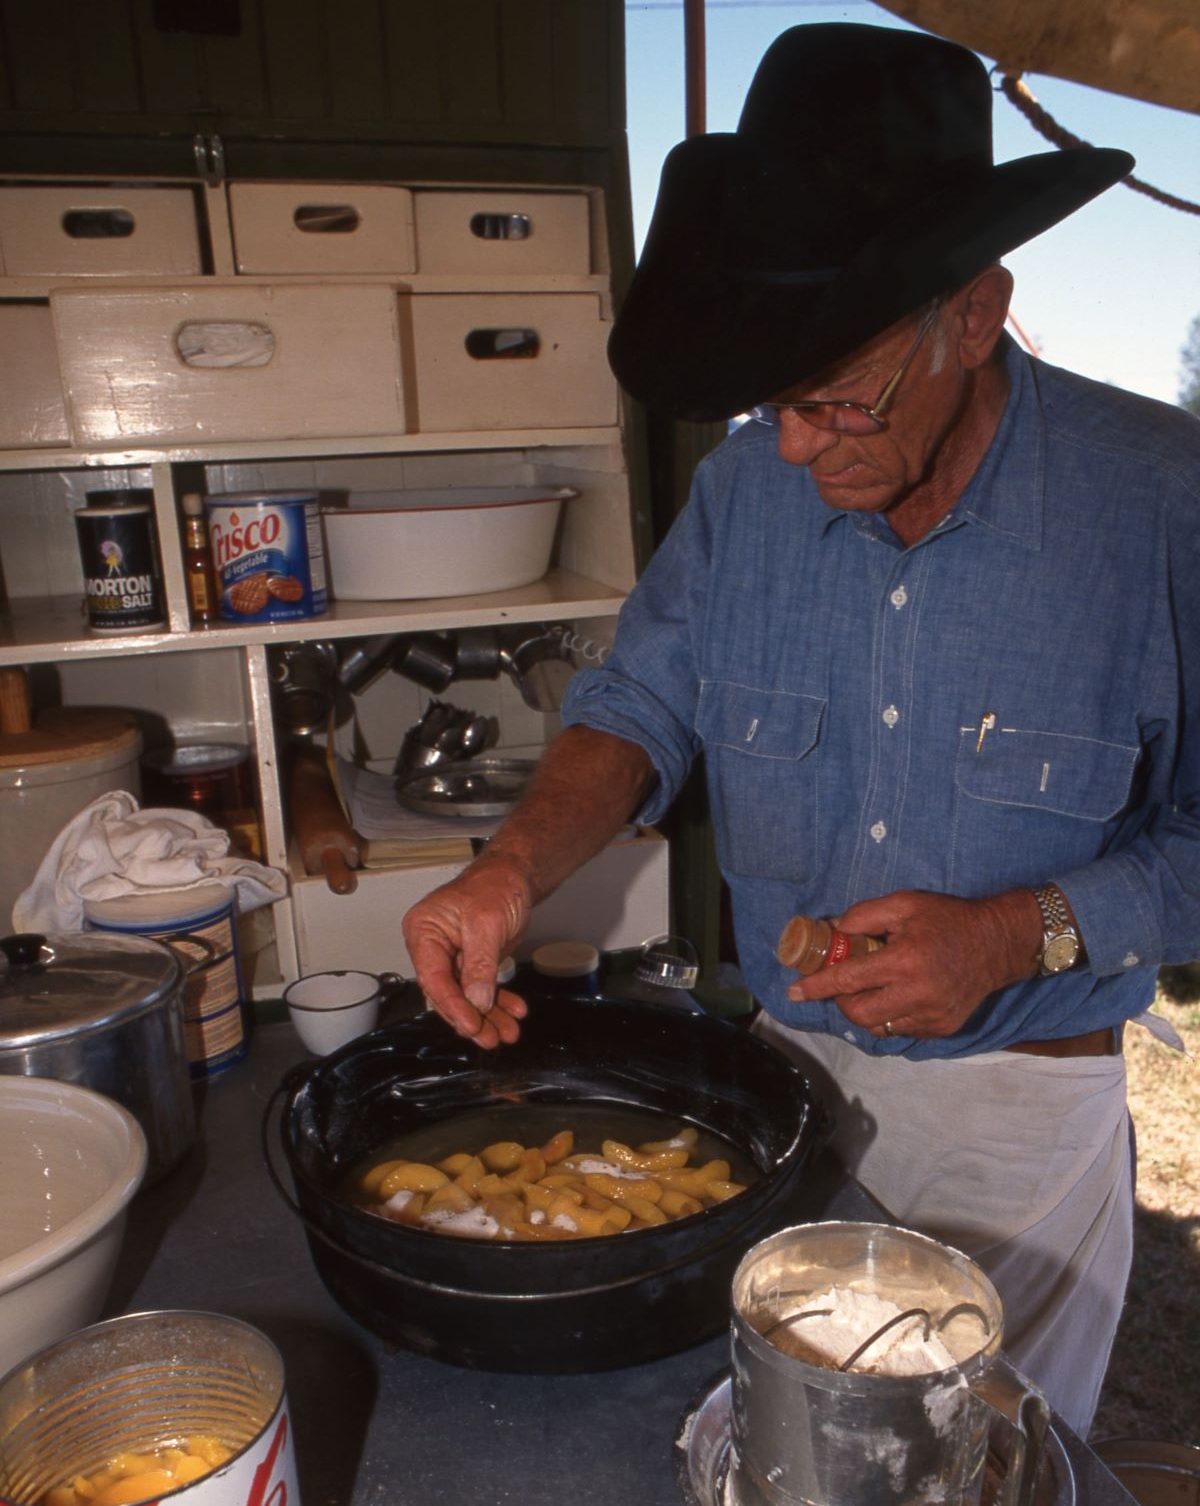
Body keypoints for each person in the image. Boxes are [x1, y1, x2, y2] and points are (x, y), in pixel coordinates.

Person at [403, 23, 1200, 1435]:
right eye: (774, 393)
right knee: (788, 1449)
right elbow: (636, 705)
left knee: (982, 1461)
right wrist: (513, 867)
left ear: (975, 313)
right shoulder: (742, 492)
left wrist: (1021, 932)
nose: (789, 446)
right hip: (789, 1081)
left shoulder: (1161, 502)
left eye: (837, 394)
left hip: (1031, 1111)